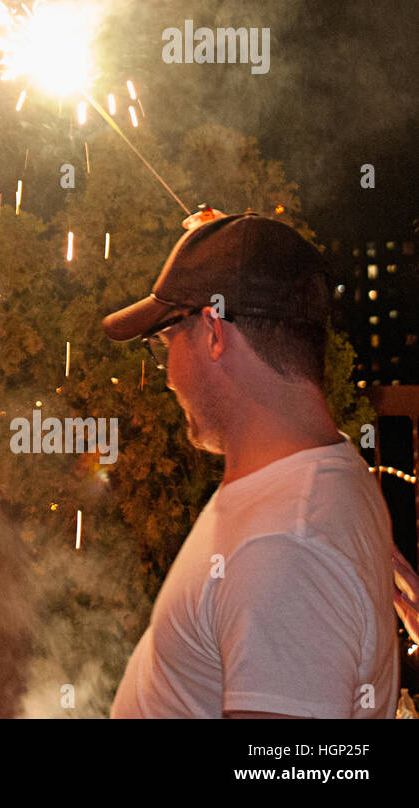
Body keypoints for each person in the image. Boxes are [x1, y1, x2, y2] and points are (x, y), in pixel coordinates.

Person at [103, 212, 398, 719]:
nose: (168, 376)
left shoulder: (284, 551)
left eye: (165, 341)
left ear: (214, 331)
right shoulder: (315, 469)